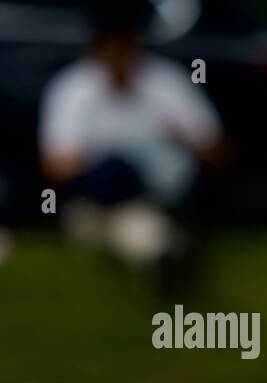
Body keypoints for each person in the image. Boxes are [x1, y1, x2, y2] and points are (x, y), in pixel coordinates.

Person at [39, 0, 224, 268]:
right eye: (112, 47)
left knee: (138, 218)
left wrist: (181, 140)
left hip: (165, 195)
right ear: (96, 48)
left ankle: (163, 251)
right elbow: (54, 166)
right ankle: (163, 253)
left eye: (126, 46)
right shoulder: (72, 89)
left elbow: (218, 152)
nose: (120, 56)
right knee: (123, 220)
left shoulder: (169, 82)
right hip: (100, 203)